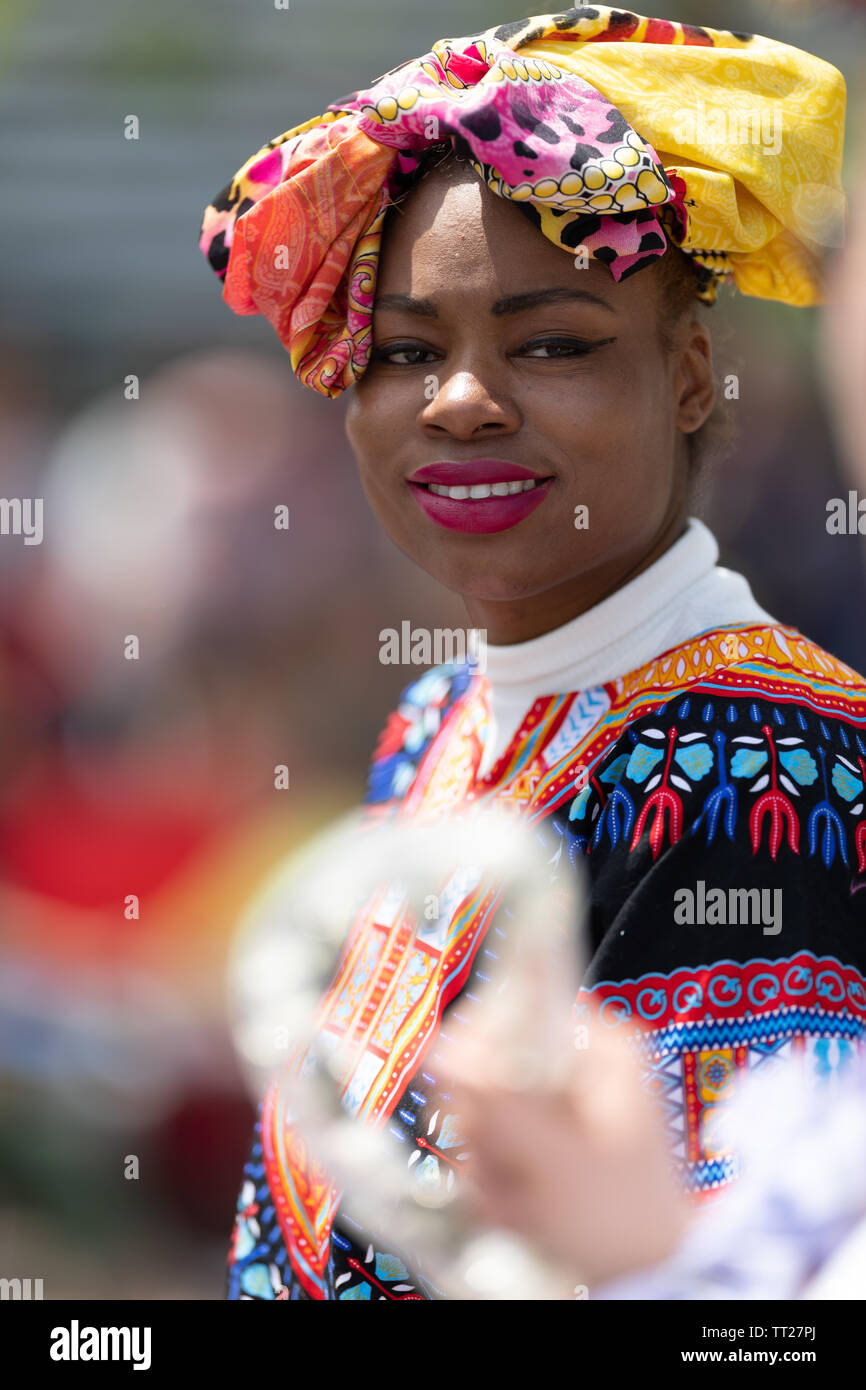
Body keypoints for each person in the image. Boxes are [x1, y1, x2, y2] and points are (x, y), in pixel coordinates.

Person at [201, 8, 866, 1301]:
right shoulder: (438, 717)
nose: (461, 398)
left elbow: (736, 1298)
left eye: (550, 341)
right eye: (403, 351)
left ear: (684, 376)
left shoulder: (766, 769)